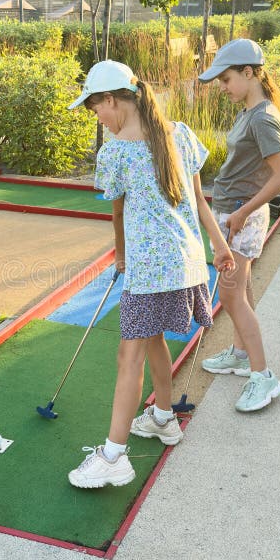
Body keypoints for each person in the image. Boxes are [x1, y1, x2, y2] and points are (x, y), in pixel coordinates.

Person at [65, 60, 234, 488]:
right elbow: (199, 200)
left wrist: (121, 256)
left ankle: (114, 456)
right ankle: (162, 417)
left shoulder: (116, 152)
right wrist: (219, 247)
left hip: (152, 269)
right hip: (188, 261)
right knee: (154, 335)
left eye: (95, 107)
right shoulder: (179, 134)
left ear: (111, 100)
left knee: (129, 356)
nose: (96, 116)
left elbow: (117, 212)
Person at [197, 38, 280, 412]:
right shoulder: (249, 111)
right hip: (233, 212)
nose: (222, 88)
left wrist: (242, 211)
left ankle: (263, 376)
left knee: (230, 296)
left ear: (250, 73)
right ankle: (241, 354)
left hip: (241, 216)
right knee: (243, 290)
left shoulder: (263, 117)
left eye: (226, 80)